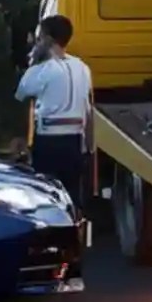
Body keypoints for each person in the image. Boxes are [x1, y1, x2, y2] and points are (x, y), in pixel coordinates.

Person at [14, 14, 94, 210]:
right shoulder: (82, 68)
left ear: (48, 40)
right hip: (75, 142)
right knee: (72, 199)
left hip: (49, 143)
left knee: (46, 199)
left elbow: (21, 93)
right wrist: (90, 149)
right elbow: (89, 110)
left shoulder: (43, 70)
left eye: (39, 38)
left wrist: (34, 61)